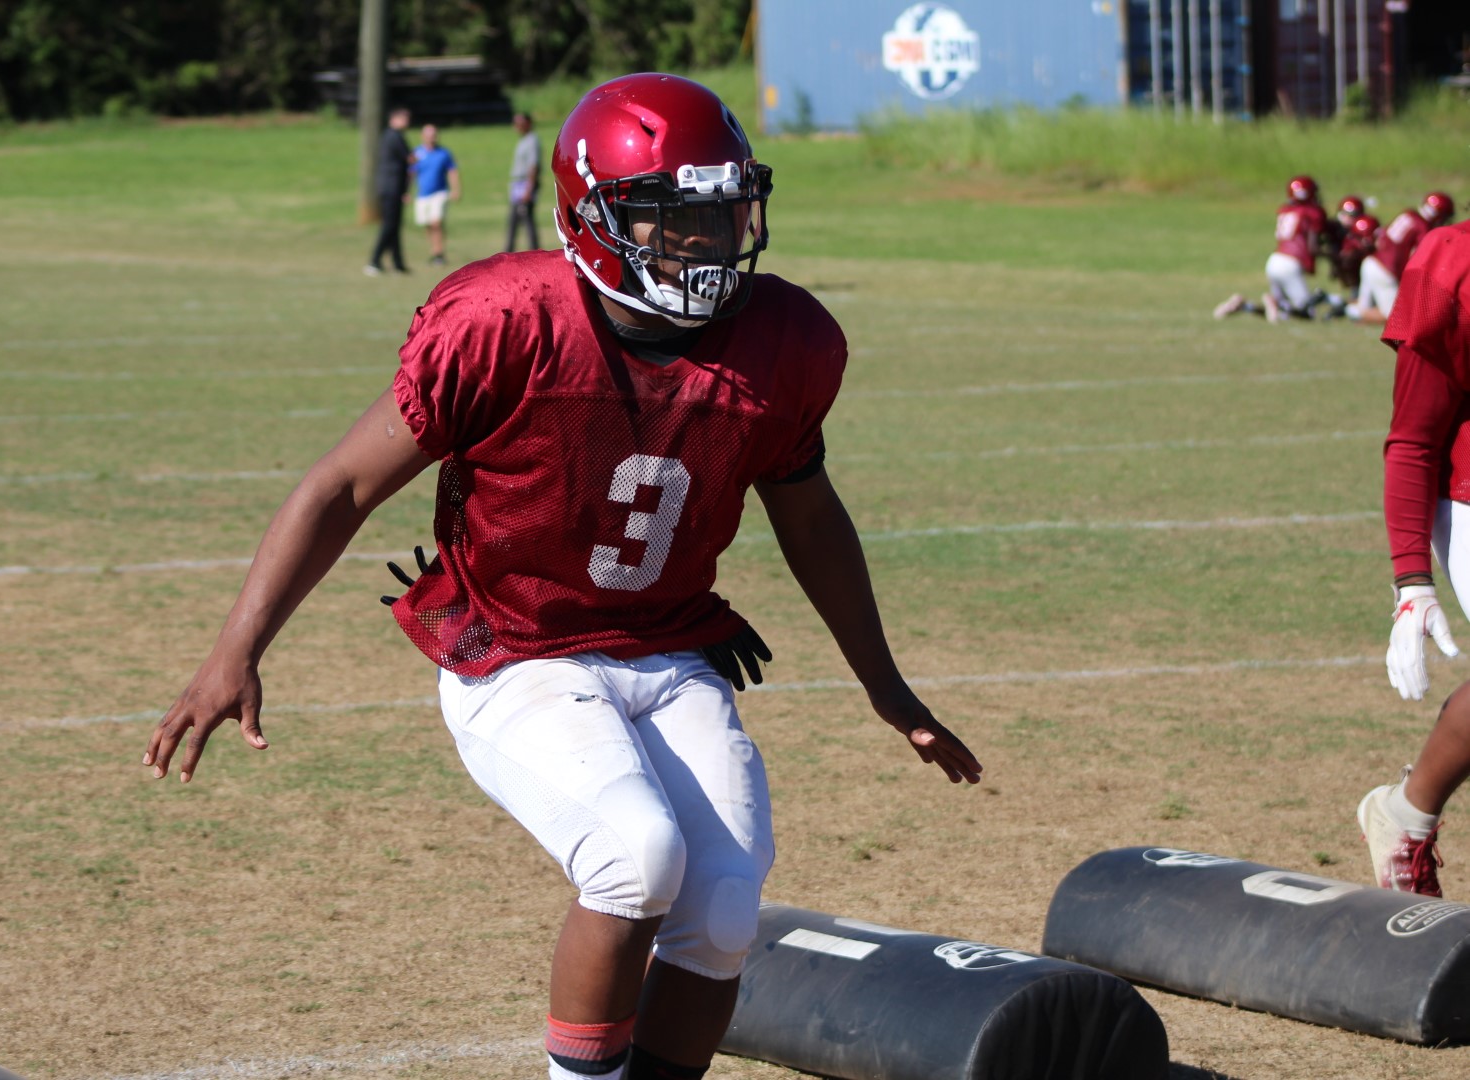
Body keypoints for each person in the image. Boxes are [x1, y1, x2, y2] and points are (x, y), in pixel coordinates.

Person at [141, 72, 982, 1080]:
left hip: (669, 650)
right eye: (672, 220)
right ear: (591, 219)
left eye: (721, 214)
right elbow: (339, 487)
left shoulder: (783, 341)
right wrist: (236, 648)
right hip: (517, 650)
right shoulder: (506, 321)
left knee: (720, 908)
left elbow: (808, 513)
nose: (706, 242)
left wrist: (885, 685)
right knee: (637, 855)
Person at [1364, 213, 1470, 897]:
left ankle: (1404, 815)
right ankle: (1404, 816)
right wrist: (1412, 583)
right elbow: (1413, 437)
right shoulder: (1455, 261)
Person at [1213, 175, 1334, 323]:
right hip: (1291, 263)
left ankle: (1246, 306)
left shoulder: (1286, 210)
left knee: (1281, 314)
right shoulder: (1312, 212)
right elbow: (1313, 247)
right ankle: (1274, 303)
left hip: (1275, 260)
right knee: (1307, 313)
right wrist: (1333, 255)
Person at [1348, 192, 1457, 325]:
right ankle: (1348, 311)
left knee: (1366, 306)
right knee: (1398, 318)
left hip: (1372, 262)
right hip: (1384, 271)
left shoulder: (1409, 214)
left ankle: (1350, 309)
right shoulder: (1422, 227)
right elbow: (1420, 258)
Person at [364, 107, 413, 276]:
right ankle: (374, 260)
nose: (407, 122)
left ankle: (398, 263)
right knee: (389, 225)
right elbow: (410, 158)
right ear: (395, 119)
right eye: (404, 118)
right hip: (392, 188)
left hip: (391, 188)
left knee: (395, 226)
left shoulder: (389, 136)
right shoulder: (395, 136)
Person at [1321, 194, 1379, 320]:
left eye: (1351, 215)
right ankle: (1345, 306)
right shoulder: (1336, 229)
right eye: (1344, 214)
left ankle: (1338, 303)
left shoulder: (1364, 227)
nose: (1347, 219)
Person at [410, 123, 461, 266]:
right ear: (423, 137)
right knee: (426, 224)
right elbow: (411, 173)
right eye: (428, 136)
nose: (431, 138)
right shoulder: (417, 153)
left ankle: (439, 252)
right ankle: (433, 251)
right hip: (422, 194)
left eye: (433, 136)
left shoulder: (444, 154)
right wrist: (406, 192)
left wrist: (456, 189)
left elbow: (452, 172)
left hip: (440, 193)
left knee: (436, 222)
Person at [506, 111, 542, 252]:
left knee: (526, 219)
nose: (516, 126)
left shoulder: (532, 141)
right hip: (518, 185)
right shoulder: (524, 140)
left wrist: (528, 189)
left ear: (528, 123)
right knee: (515, 219)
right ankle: (509, 249)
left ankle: (534, 249)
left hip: (524, 185)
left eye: (519, 123)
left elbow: (533, 166)